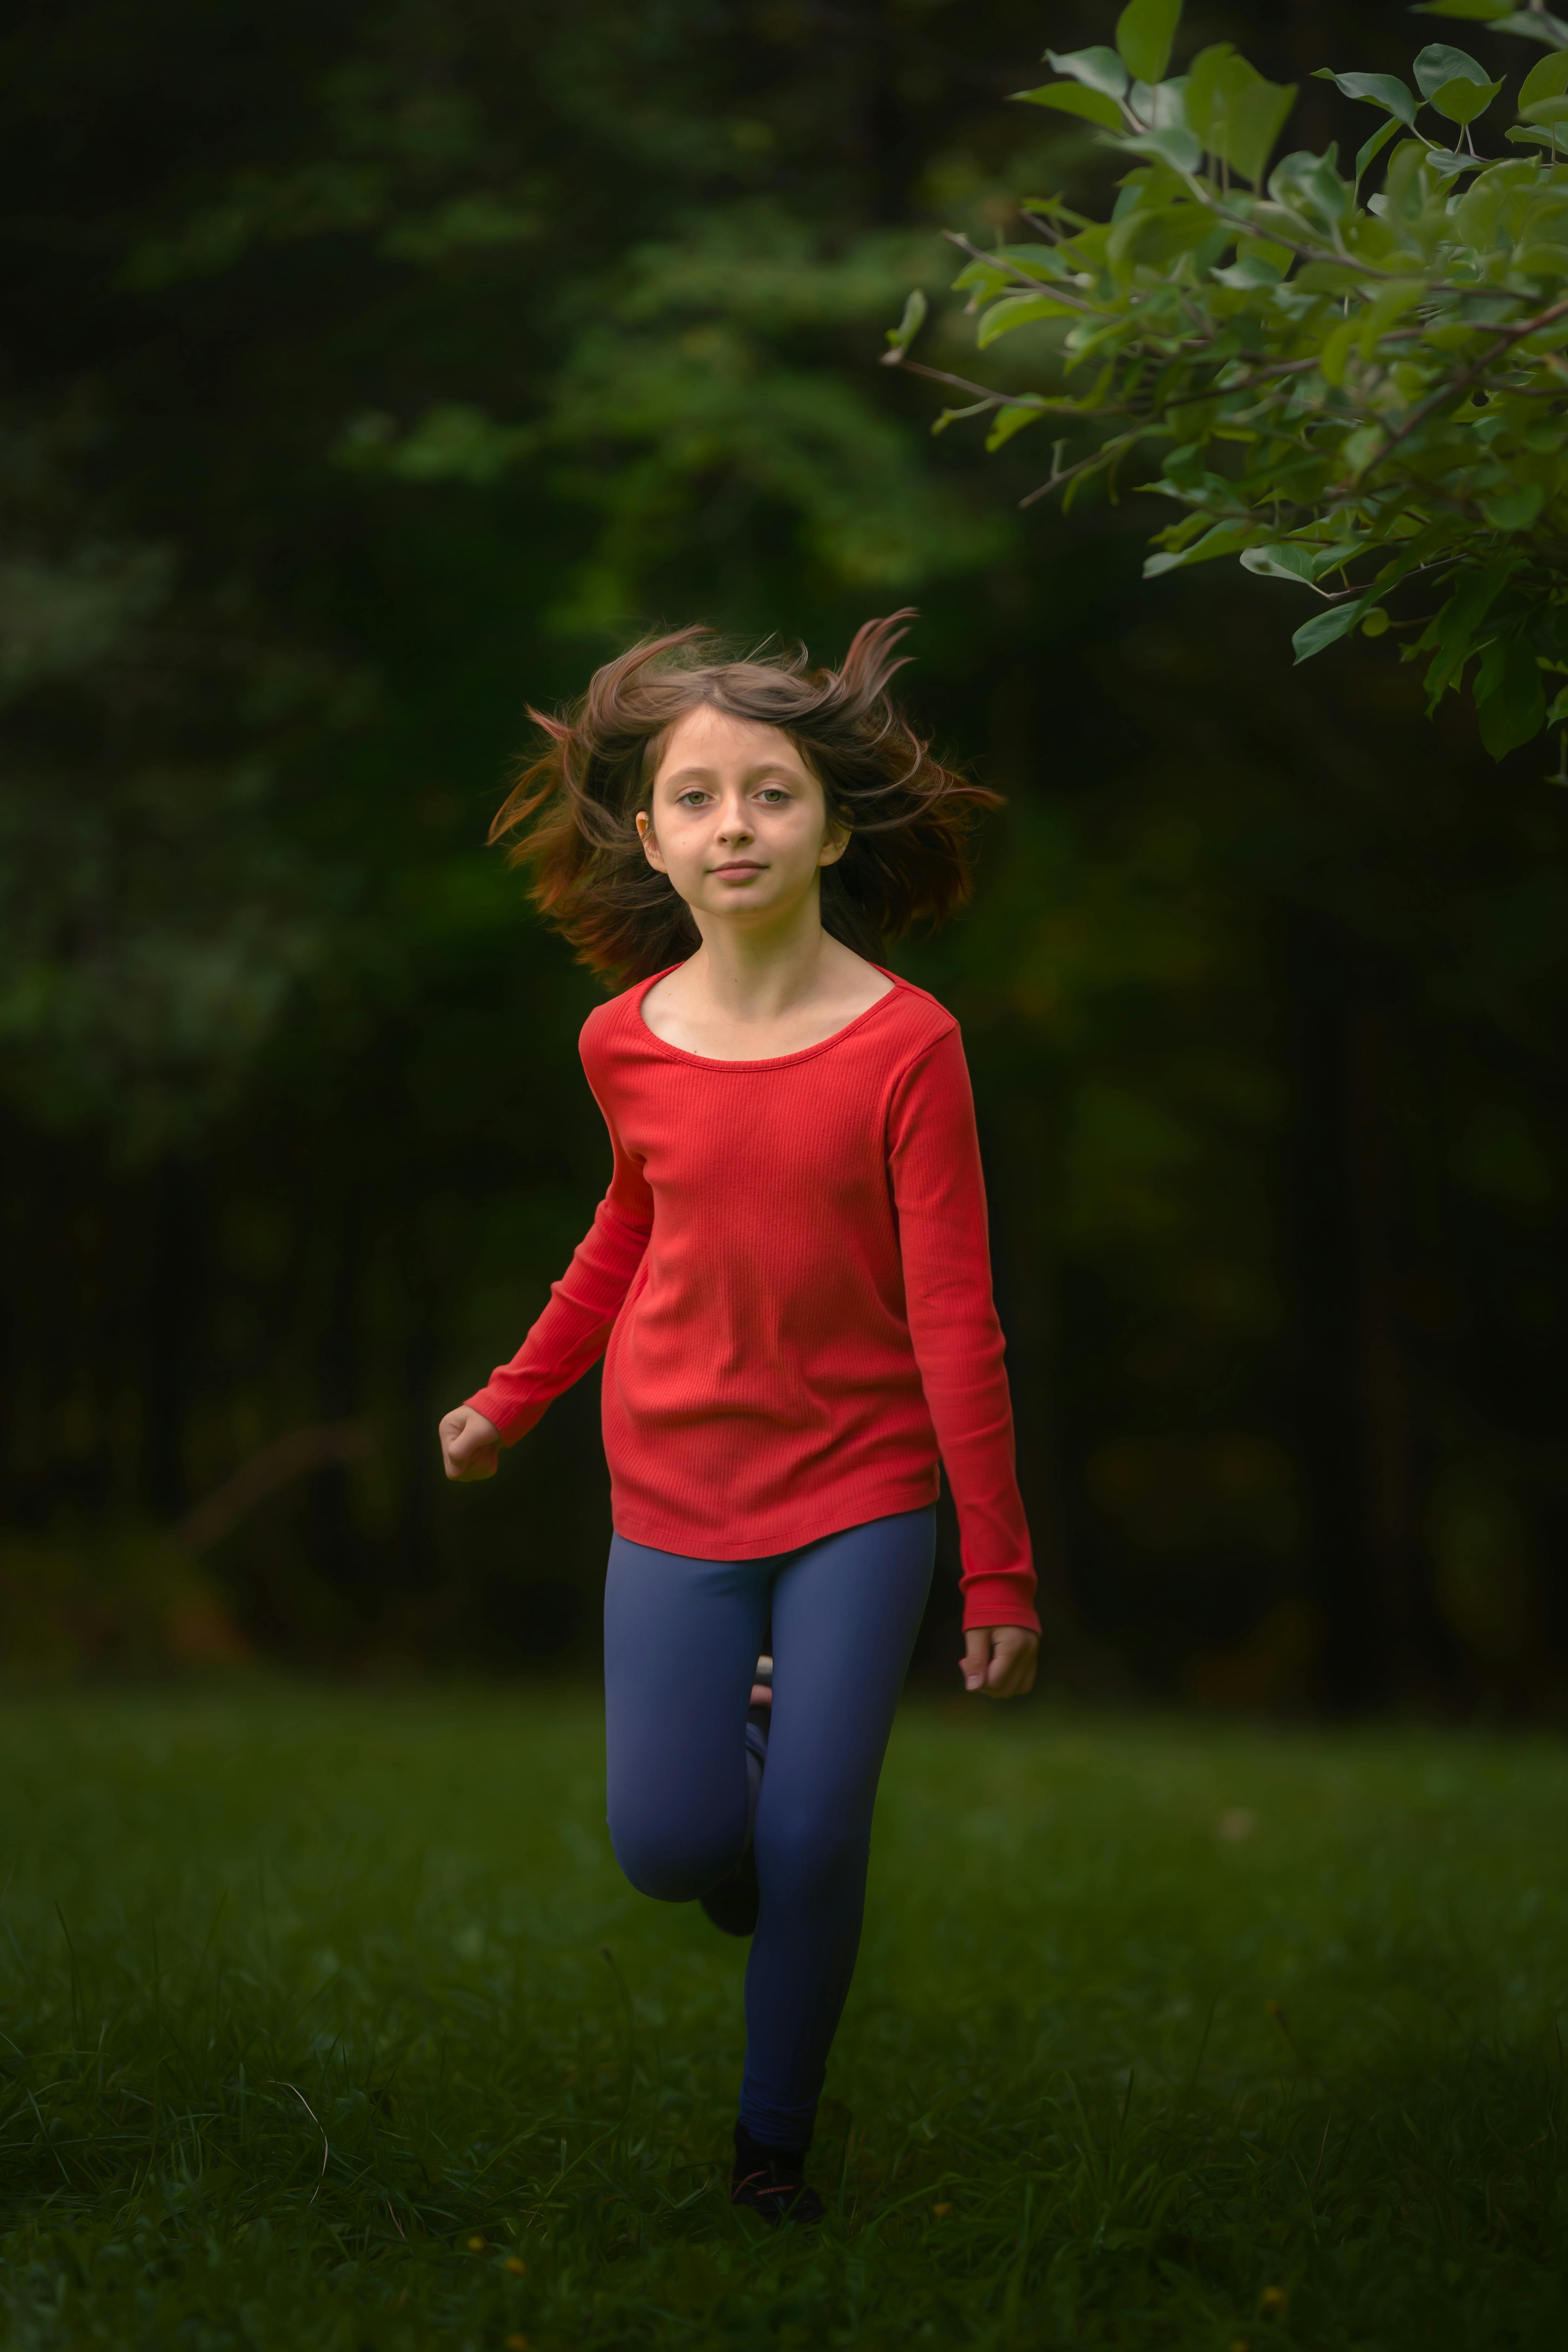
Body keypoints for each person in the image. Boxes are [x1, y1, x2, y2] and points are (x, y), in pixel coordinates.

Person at [438, 612, 1039, 2225]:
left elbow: (957, 1320)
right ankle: (754, 1763)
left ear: (833, 824)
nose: (733, 826)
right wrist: (511, 1402)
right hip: (673, 1487)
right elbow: (624, 1233)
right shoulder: (622, 1042)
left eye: (768, 795)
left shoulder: (910, 1044)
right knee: (671, 1845)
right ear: (649, 834)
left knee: (821, 1833)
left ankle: (770, 2146)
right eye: (696, 799)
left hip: (860, 1489)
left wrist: (995, 1571)